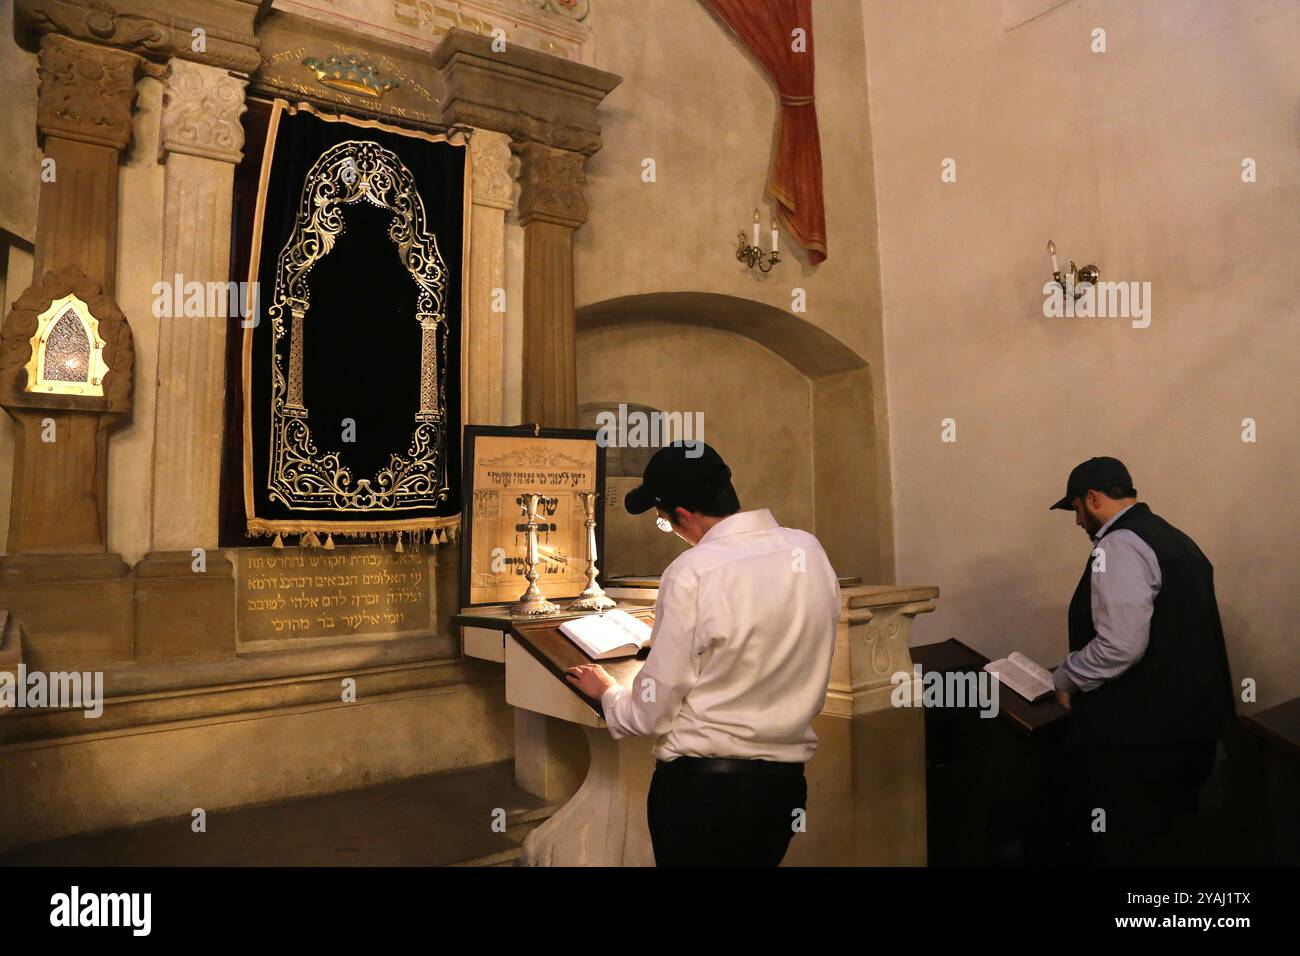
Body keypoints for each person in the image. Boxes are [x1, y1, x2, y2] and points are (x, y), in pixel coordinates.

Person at [565, 441, 840, 866]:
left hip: (704, 794)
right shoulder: (808, 549)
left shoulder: (692, 570)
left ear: (684, 516)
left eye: (663, 522)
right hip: (783, 789)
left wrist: (608, 694)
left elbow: (652, 711)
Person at [1049, 456, 1235, 864]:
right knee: (1171, 842)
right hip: (1192, 730)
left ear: (1093, 498)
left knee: (1129, 844)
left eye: (1076, 509)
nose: (1078, 522)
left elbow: (1121, 645)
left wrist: (1066, 677)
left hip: (1140, 738)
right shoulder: (1175, 538)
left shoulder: (1118, 545)